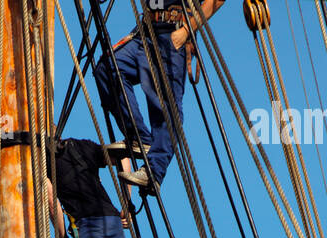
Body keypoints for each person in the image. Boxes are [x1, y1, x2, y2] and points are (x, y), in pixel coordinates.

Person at [94, 0, 227, 190]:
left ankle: (153, 171)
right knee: (107, 70)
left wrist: (185, 32)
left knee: (165, 106)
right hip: (145, 32)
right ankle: (139, 139)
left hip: (173, 35)